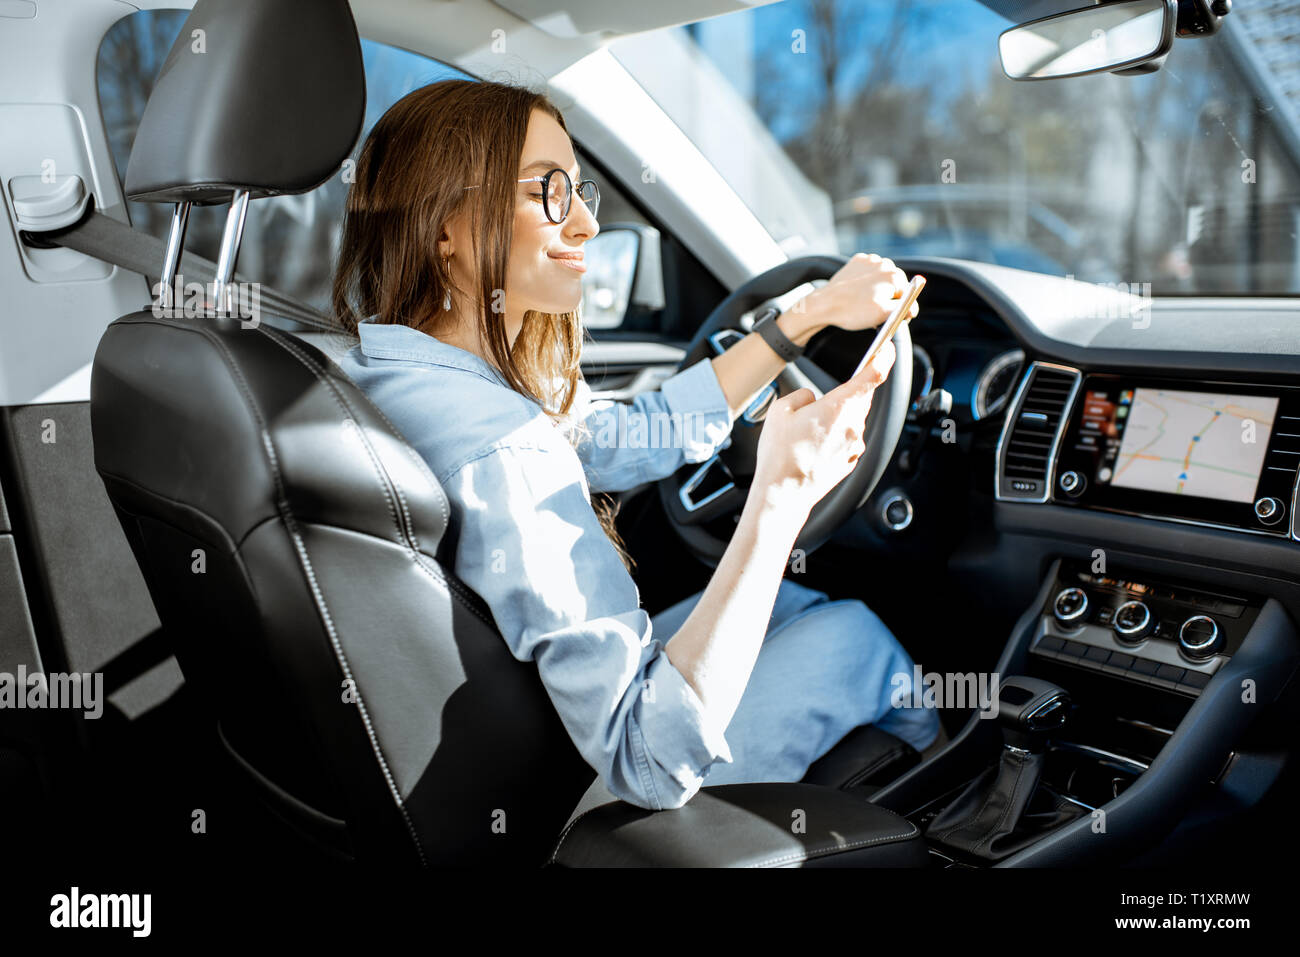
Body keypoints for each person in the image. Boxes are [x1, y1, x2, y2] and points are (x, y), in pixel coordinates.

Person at [333, 78, 939, 811]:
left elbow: (625, 435)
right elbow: (647, 754)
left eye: (581, 189)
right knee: (861, 640)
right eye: (547, 191)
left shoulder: (385, 371)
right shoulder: (506, 446)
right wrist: (783, 493)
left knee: (796, 602)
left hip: (515, 737)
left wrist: (807, 317)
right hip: (592, 792)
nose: (586, 221)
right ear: (446, 229)